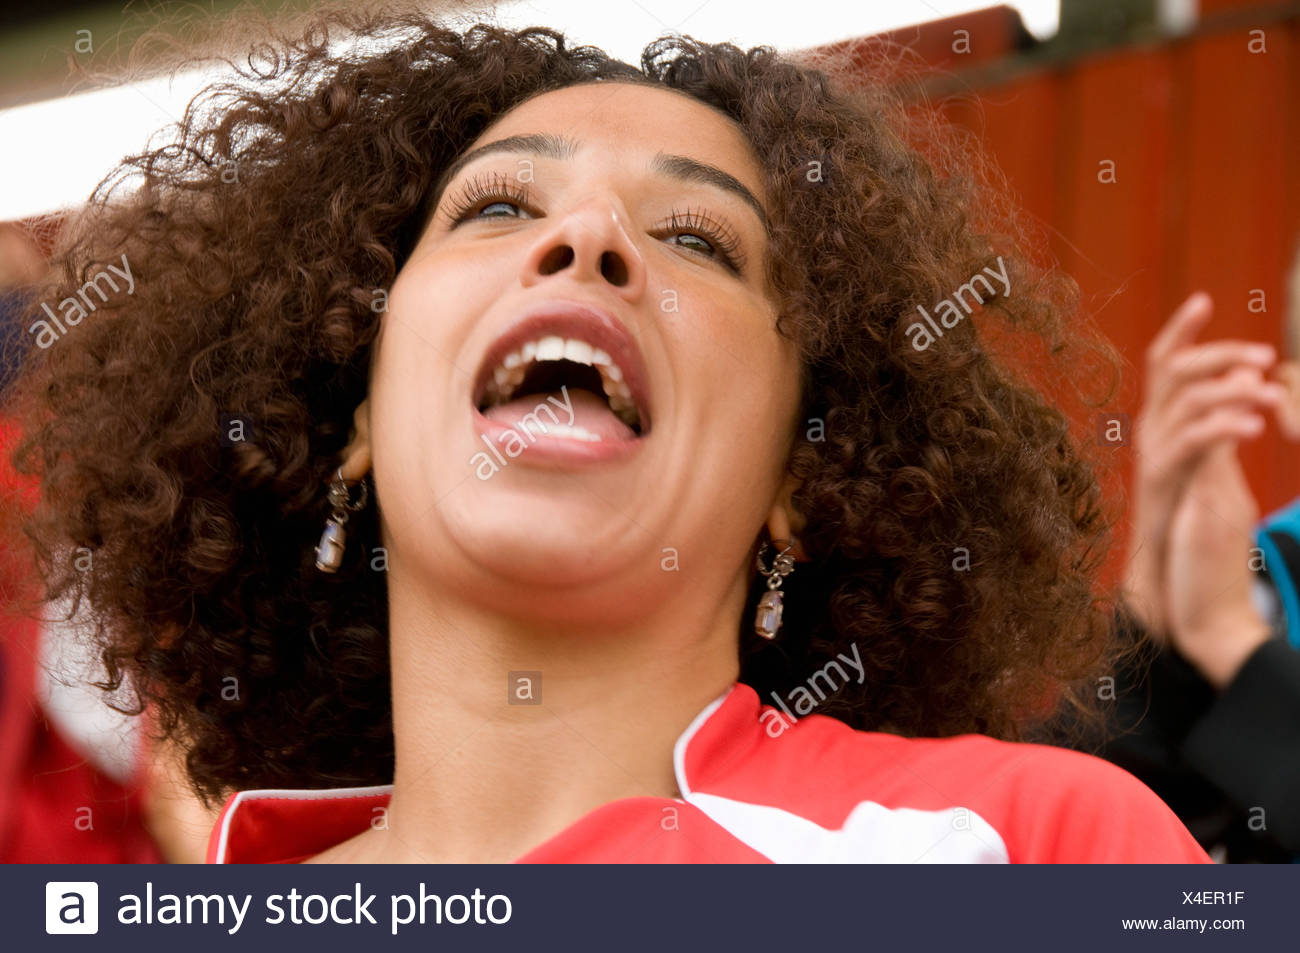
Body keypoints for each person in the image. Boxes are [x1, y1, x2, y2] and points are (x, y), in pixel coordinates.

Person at [2, 9, 1210, 864]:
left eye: (698, 239)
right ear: (353, 420)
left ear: (803, 473)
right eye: (498, 206)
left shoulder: (1033, 851)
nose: (587, 241)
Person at [1100, 283, 1300, 863]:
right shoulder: (1261, 579)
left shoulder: (1231, 612)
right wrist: (1150, 626)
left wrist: (1231, 641)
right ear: (1289, 396)